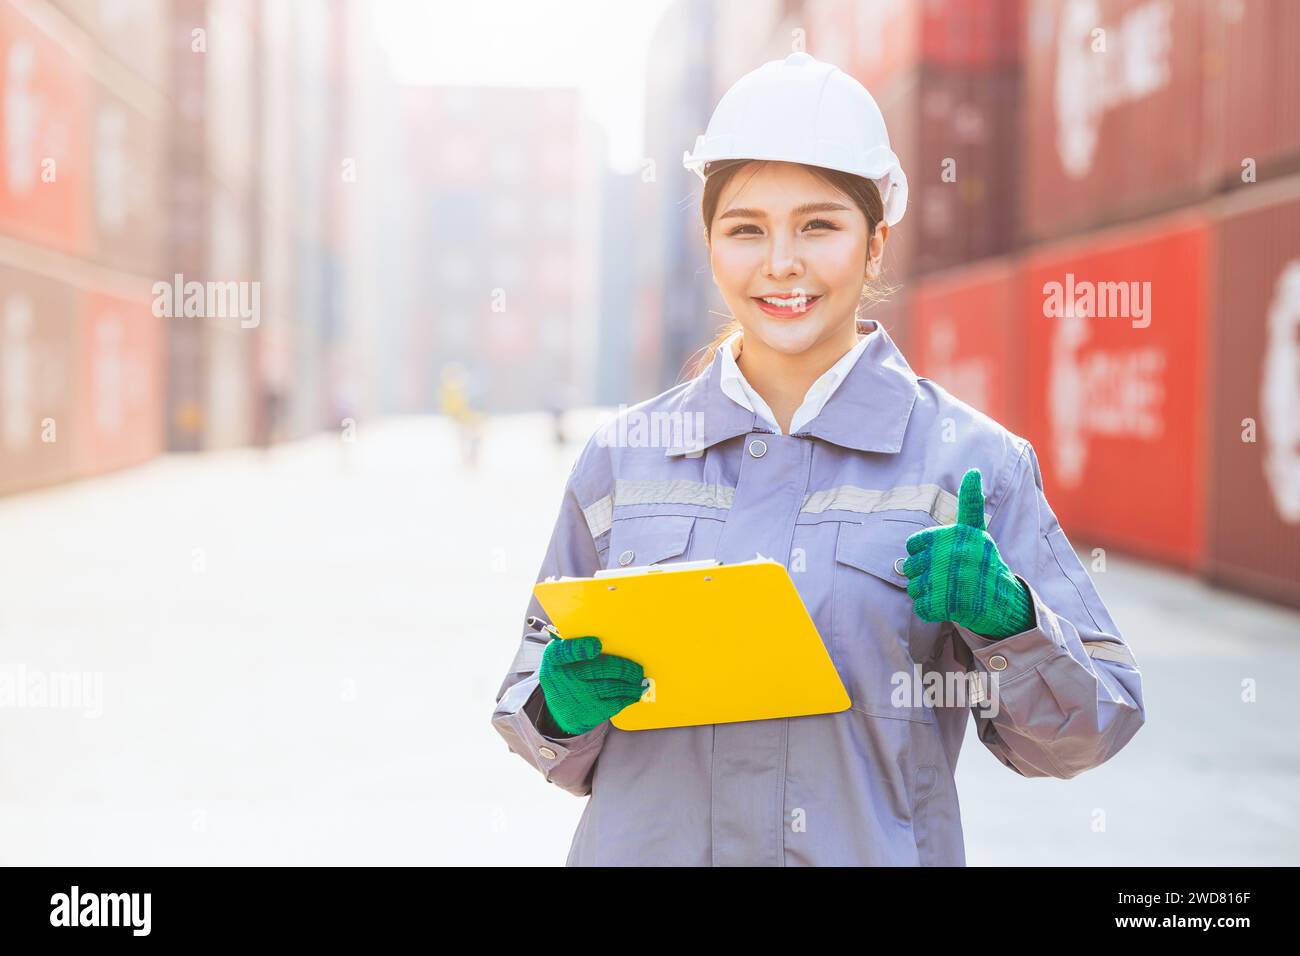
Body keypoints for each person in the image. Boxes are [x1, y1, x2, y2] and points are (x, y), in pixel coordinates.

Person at [490, 52, 1145, 866]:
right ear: (711, 244)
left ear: (875, 244)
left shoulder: (970, 465)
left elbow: (1089, 730)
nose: (781, 263)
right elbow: (533, 718)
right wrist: (558, 706)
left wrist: (1012, 624)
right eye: (746, 230)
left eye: (819, 225)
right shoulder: (623, 459)